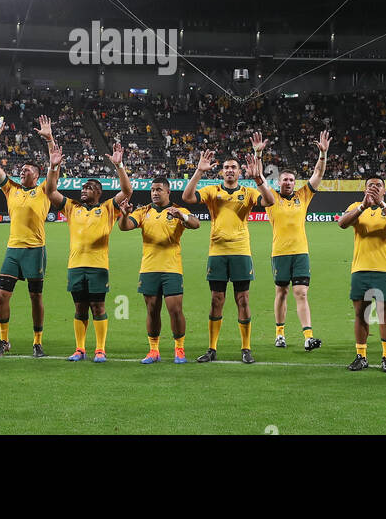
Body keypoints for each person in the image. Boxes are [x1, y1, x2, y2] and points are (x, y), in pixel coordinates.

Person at [182, 143, 276, 364]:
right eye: (226, 167)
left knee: (242, 299)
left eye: (234, 167)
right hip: (217, 252)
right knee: (217, 299)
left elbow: (270, 201)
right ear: (222, 171)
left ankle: (246, 348)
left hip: (241, 252)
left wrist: (258, 178)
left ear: (239, 171)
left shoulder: (248, 192)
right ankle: (212, 348)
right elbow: (187, 197)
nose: (230, 170)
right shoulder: (212, 191)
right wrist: (199, 171)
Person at [40, 136, 131, 363]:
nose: (84, 190)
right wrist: (53, 167)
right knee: (79, 307)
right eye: (83, 187)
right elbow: (50, 192)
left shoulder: (109, 208)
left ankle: (100, 349)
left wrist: (119, 165)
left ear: (98, 192)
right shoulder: (73, 208)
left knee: (98, 307)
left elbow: (127, 191)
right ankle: (80, 349)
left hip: (98, 266)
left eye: (89, 188)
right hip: (75, 266)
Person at [0, 115, 54, 358]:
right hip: (13, 250)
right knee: (2, 295)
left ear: (36, 175)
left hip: (35, 250)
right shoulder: (11, 189)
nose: (22, 171)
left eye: (27, 170)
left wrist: (49, 139)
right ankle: (4, 340)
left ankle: (37, 341)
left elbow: (54, 166)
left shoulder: (44, 189)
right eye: (21, 169)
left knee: (36, 297)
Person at [119, 178, 199, 364]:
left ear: (168, 192)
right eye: (152, 190)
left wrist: (182, 217)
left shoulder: (178, 210)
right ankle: (153, 350)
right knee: (152, 310)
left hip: (171, 269)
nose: (154, 193)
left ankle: (179, 349)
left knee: (175, 310)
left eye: (159, 189)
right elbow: (124, 227)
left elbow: (195, 224)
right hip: (149, 269)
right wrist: (123, 215)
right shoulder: (143, 211)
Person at [265, 131, 329, 350]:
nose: (289, 183)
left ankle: (308, 336)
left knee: (301, 293)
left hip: (301, 253)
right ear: (279, 182)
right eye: (285, 180)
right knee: (281, 292)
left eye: (292, 180)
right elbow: (259, 179)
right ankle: (280, 333)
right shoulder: (271, 198)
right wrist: (258, 153)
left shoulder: (303, 195)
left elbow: (318, 174)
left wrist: (323, 154)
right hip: (280, 253)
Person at [337, 176, 386, 372]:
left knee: (385, 316)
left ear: (384, 190)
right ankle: (361, 356)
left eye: (378, 185)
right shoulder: (356, 206)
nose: (374, 187)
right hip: (360, 269)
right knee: (361, 315)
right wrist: (362, 207)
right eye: (370, 185)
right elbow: (342, 223)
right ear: (364, 189)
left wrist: (381, 204)